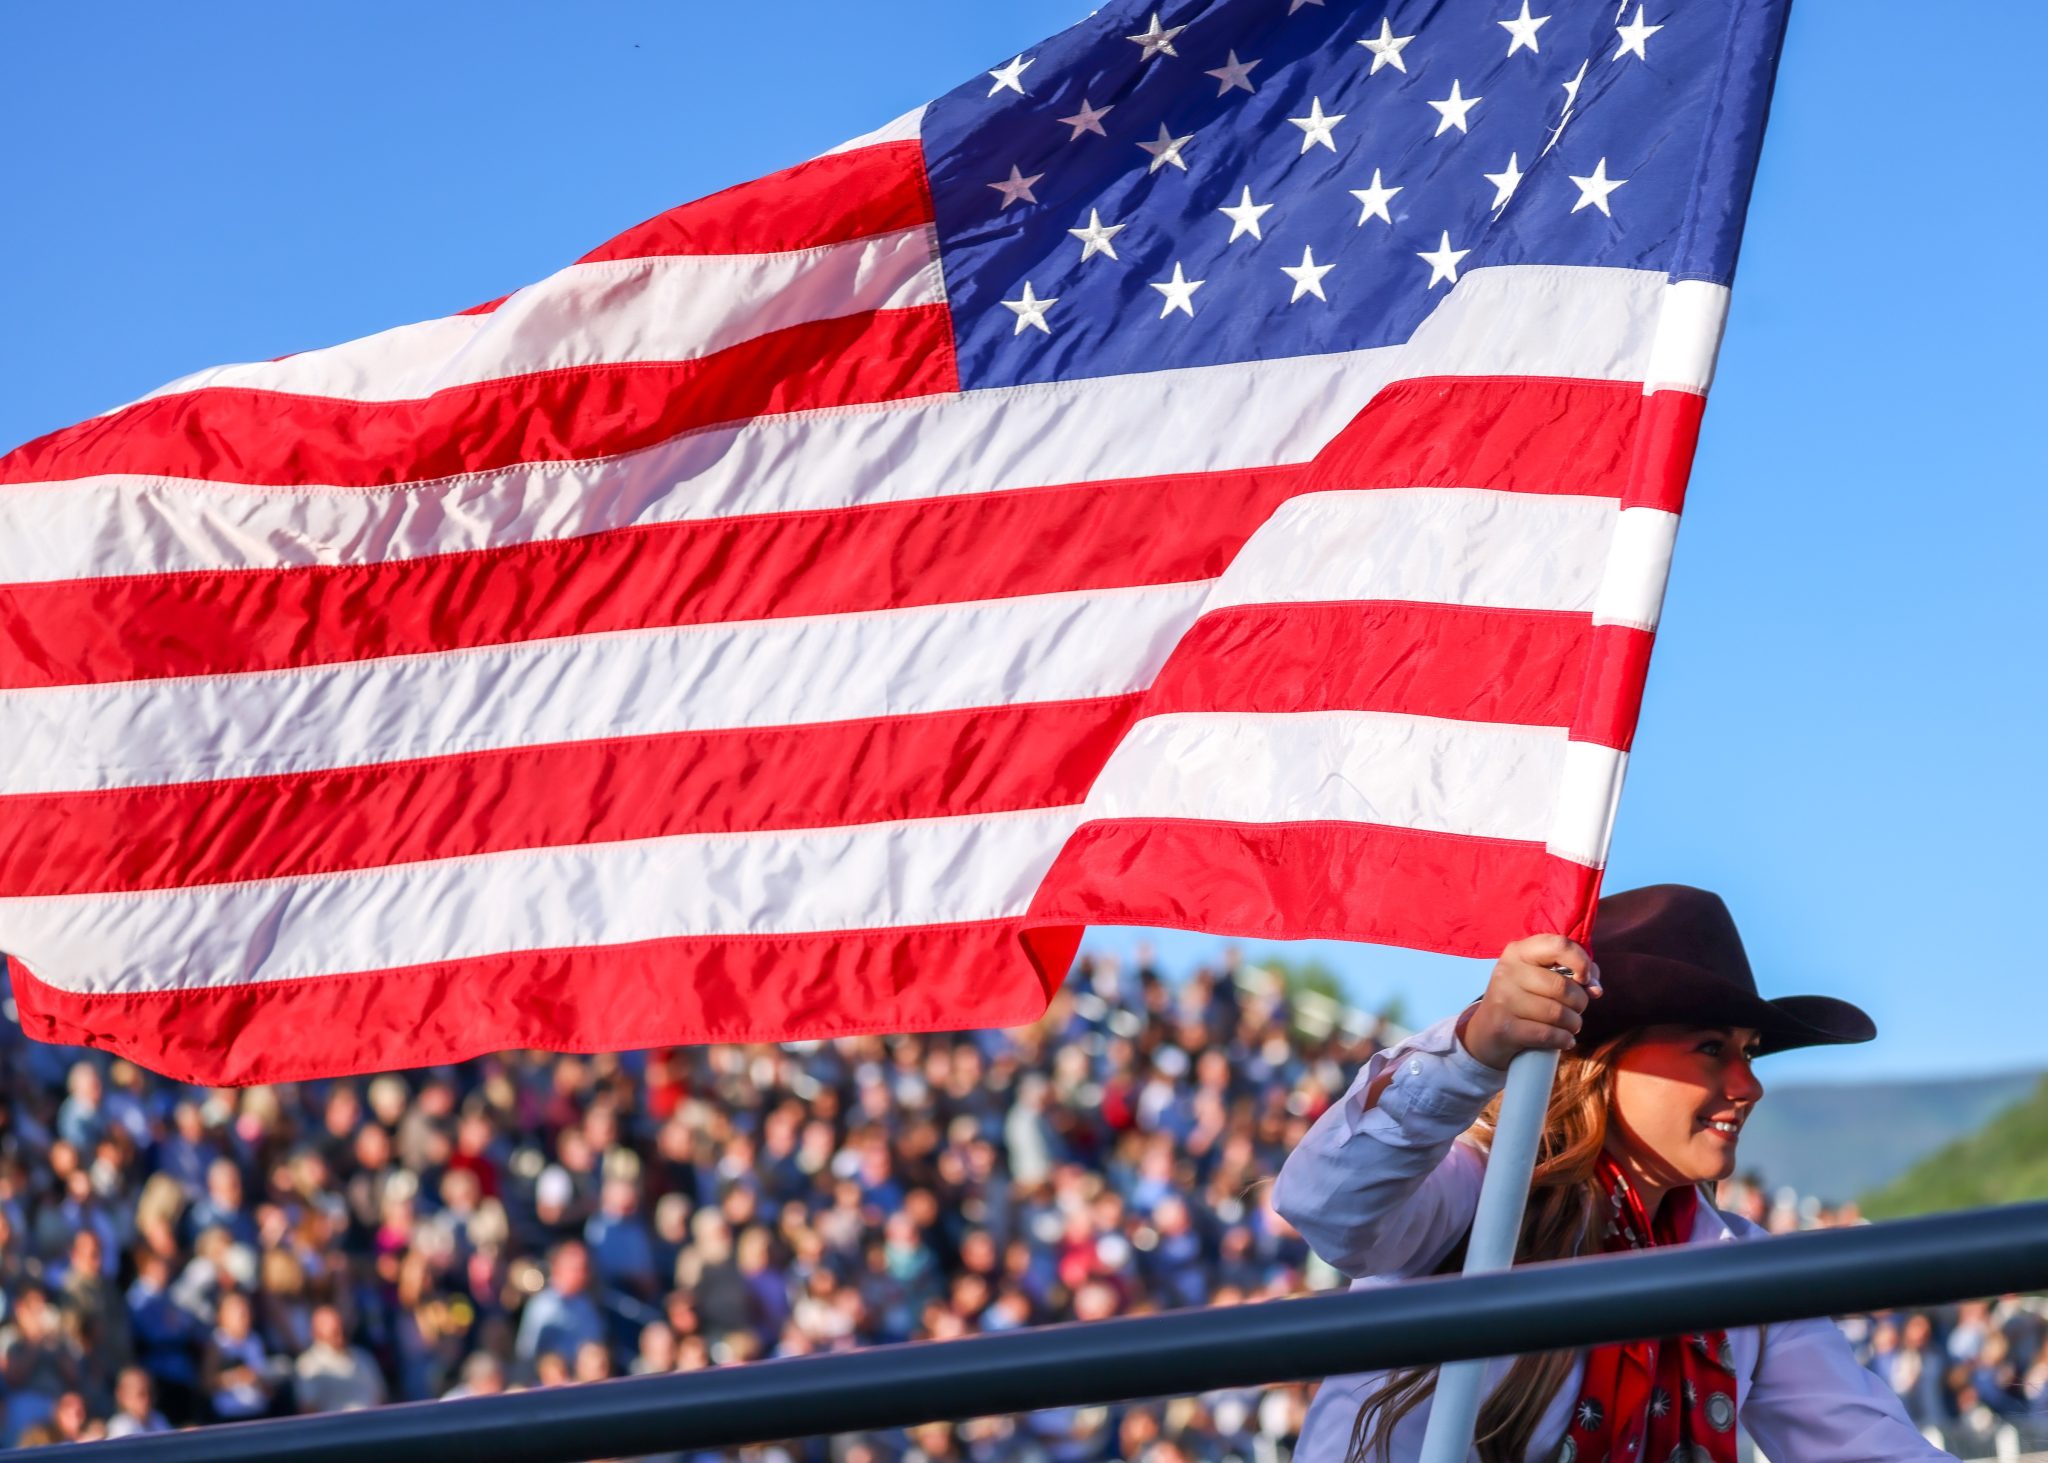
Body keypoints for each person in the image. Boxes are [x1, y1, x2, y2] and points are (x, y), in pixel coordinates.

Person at [1273, 884, 1951, 1462]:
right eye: (1711, 1048)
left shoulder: (1743, 1268)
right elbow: (1324, 1204)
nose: (1750, 1085)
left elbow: (1873, 1446)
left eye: (1750, 1053)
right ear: (1604, 1060)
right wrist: (1476, 1046)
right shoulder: (1476, 1195)